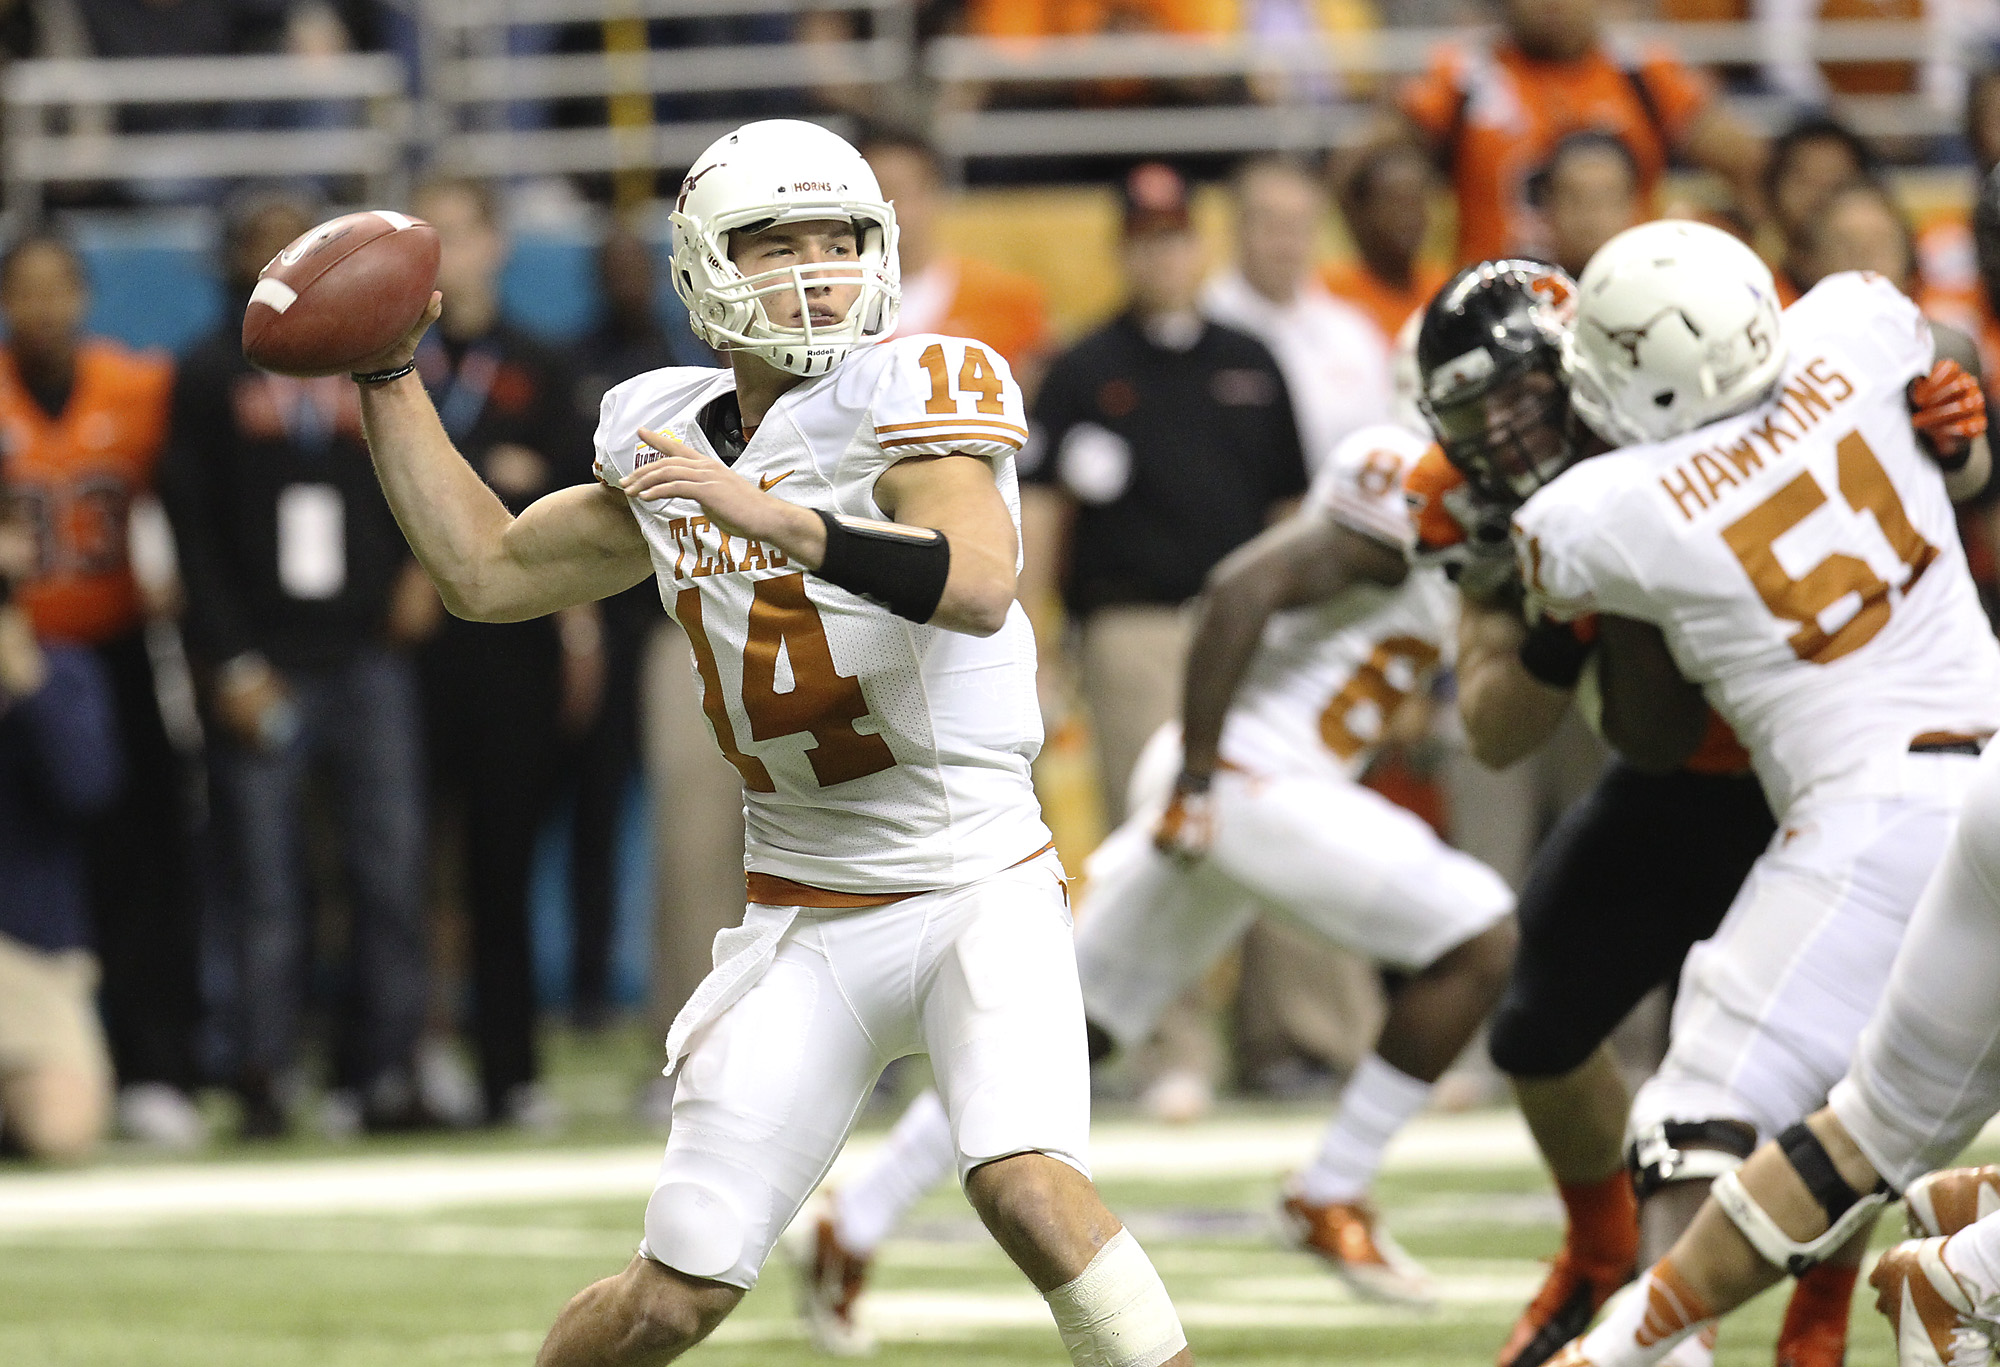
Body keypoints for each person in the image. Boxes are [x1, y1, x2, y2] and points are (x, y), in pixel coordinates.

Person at [347, 118, 1194, 1367]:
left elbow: (974, 581)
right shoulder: (667, 428)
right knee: (666, 1297)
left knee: (1027, 1187)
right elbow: (485, 569)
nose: (814, 269)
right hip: (801, 909)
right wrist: (387, 379)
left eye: (840, 238)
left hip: (974, 878)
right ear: (698, 266)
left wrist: (786, 521)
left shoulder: (920, 388)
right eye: (772, 243)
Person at [795, 412, 1520, 1352]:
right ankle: (1334, 1184)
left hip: (1259, 787)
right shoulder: (1406, 489)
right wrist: (1198, 780)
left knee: (1062, 1037)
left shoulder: (1501, 525)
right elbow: (1236, 590)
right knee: (1481, 934)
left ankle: (852, 1222)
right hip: (1248, 782)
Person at [1490, 221, 2000, 1367]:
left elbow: (1546, 555)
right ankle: (1946, 1290)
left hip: (1874, 815)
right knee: (1871, 1126)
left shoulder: (1601, 511)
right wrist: (1957, 435)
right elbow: (1935, 347)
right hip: (1986, 748)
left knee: (1694, 1116)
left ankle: (1661, 1350)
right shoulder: (1858, 326)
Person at [160, 192, 434, 1137]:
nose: (271, 250)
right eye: (253, 238)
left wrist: (419, 570)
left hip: (365, 654)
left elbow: (425, 472)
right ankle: (262, 1071)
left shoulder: (374, 354)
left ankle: (388, 1069)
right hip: (267, 660)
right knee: (265, 882)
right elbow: (191, 533)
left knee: (389, 870)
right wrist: (229, 661)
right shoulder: (205, 374)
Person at [1024, 160, 1307, 829]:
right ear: (1122, 250)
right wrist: (1032, 637)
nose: (1165, 257)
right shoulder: (1081, 368)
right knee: (1148, 815)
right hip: (1130, 624)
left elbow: (1289, 503)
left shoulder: (1252, 359)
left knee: (1270, 815)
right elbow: (1035, 508)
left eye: (1176, 238)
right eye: (1147, 240)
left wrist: (1296, 620)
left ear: (1201, 245)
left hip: (1243, 621)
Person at [0, 232, 203, 1148]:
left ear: (82, 295)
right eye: (25, 291)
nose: (43, 309)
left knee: (144, 854)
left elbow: (192, 497)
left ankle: (155, 1063)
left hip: (112, 649)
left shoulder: (137, 386)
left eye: (57, 290)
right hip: (13, 645)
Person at [406, 176, 601, 1128]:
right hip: (405, 645)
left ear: (498, 244)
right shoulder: (387, 358)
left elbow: (572, 500)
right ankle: (405, 1061)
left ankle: (509, 1067)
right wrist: (501, 474)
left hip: (511, 644)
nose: (450, 250)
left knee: (500, 864)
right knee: (401, 863)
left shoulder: (541, 361)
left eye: (464, 231)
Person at [1394, 0, 1764, 267]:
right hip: (1499, 307)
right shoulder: (1462, 76)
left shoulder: (1643, 73)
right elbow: (1369, 174)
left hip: (1626, 299)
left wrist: (1709, 244)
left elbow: (1754, 169)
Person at [0, 493, 121, 1162]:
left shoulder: (64, 669)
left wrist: (29, 686)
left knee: (62, 1129)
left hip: (28, 950)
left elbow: (86, 788)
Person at [1201, 155, 1390, 472]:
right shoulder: (1199, 328)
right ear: (1236, 227)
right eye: (1270, 224)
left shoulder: (1353, 332)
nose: (1285, 243)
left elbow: (1383, 441)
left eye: (1299, 226)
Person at [860, 126, 1053, 387]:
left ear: (934, 193)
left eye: (901, 192)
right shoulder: (835, 309)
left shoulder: (1006, 298)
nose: (889, 209)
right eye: (876, 195)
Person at [1321, 142, 1450, 348]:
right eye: (1397, 203)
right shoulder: (1328, 296)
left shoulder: (1446, 293)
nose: (1411, 217)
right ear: (1362, 213)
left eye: (1418, 202)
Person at [1762, 115, 1877, 303]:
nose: (1818, 198)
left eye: (1836, 183)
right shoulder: (1749, 269)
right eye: (1805, 181)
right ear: (1774, 188)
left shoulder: (1884, 274)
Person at [1528, 132, 1643, 282]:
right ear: (1549, 202)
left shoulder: (1654, 291)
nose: (1590, 215)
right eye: (1574, 199)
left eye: (1604, 198)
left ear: (1631, 204)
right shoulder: (1523, 290)